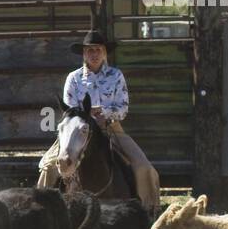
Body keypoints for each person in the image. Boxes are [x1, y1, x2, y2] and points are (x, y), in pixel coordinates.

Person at [37, 30, 160, 209]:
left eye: (98, 50)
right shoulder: (74, 78)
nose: (94, 54)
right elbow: (69, 110)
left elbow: (123, 108)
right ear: (84, 54)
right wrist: (87, 115)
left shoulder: (116, 76)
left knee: (144, 168)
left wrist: (105, 112)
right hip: (77, 131)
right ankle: (42, 210)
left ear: (104, 52)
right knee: (49, 168)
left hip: (111, 129)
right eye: (89, 50)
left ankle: (149, 212)